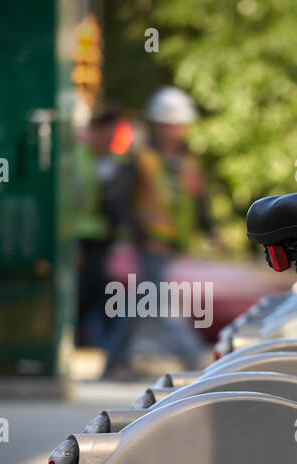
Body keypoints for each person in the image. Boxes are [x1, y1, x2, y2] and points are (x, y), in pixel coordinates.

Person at [103, 86, 216, 378]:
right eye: (170, 124)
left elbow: (198, 201)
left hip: (174, 246)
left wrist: (211, 230)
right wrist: (131, 233)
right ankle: (194, 356)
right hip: (148, 244)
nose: (176, 130)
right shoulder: (140, 158)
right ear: (158, 124)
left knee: (138, 304)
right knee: (160, 302)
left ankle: (113, 363)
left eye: (180, 124)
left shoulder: (188, 162)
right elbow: (121, 198)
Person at [73, 107, 133, 349]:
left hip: (109, 239)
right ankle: (88, 343)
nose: (108, 141)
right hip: (82, 238)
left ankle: (99, 345)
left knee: (104, 293)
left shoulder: (119, 163)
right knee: (88, 292)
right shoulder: (76, 159)